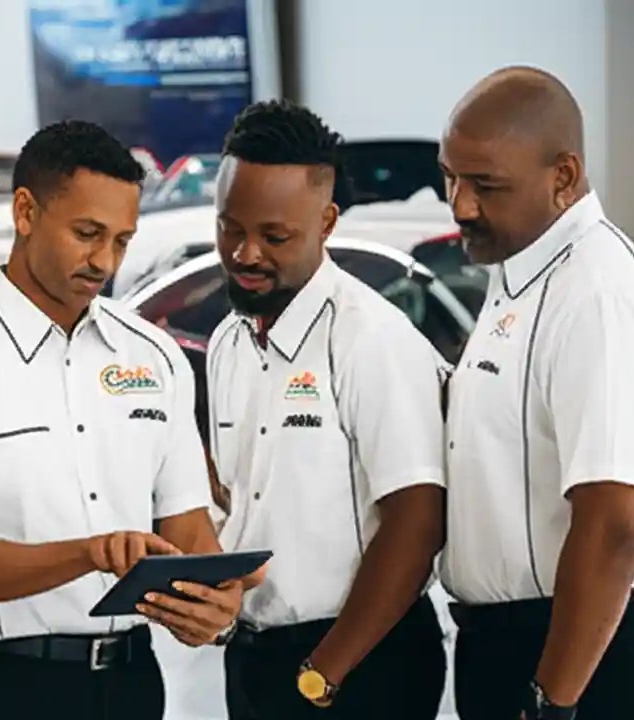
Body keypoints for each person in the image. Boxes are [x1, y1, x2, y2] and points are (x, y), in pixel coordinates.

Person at [0, 119, 259, 720]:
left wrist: (213, 598)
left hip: (134, 681)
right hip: (3, 687)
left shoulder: (153, 356)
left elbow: (187, 529)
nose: (104, 261)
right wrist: (91, 553)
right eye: (87, 233)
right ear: (25, 212)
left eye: (122, 241)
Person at [439, 66, 634, 719]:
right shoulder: (523, 269)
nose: (460, 205)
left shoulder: (596, 293)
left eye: (485, 186)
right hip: (514, 647)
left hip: (592, 662)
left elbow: (615, 522)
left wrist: (552, 701)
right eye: (450, 177)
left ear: (563, 177)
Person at [205, 99, 448, 718]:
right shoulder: (229, 342)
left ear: (328, 220)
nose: (245, 253)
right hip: (255, 658)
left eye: (274, 236)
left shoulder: (372, 339)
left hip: (360, 664)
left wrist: (324, 672)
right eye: (230, 227)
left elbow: (417, 522)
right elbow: (237, 502)